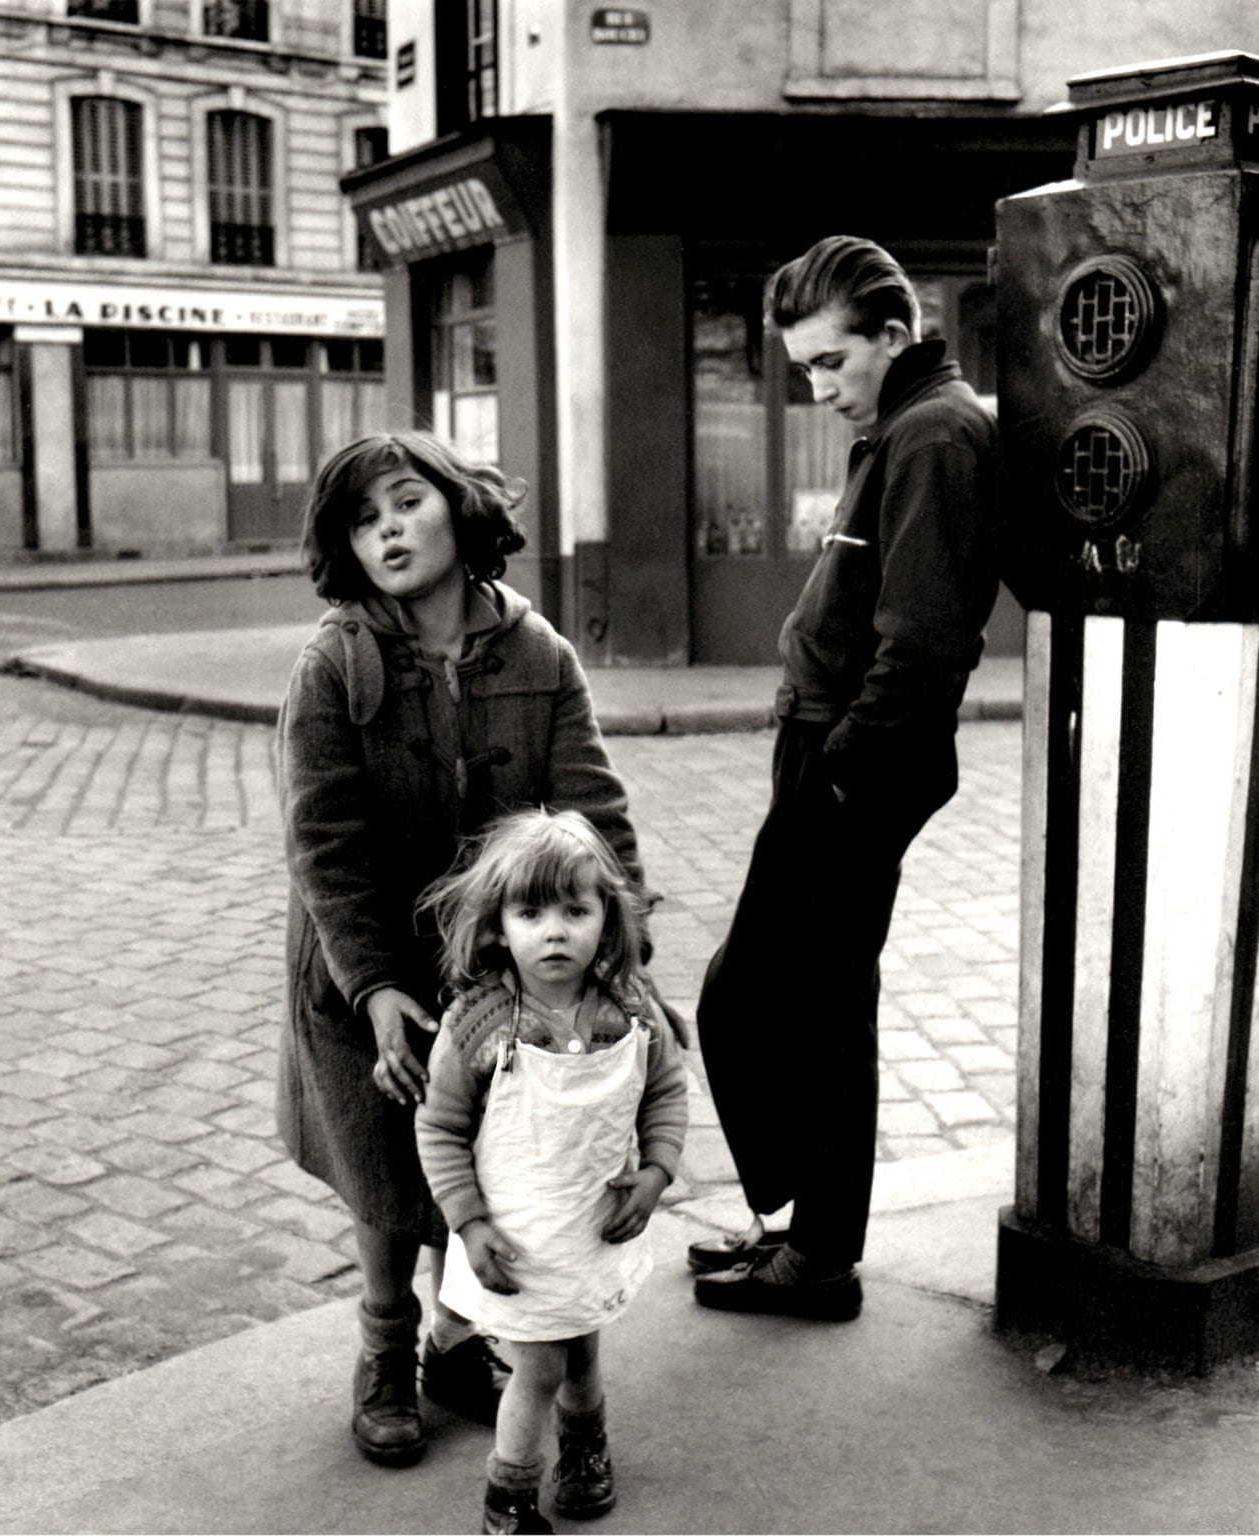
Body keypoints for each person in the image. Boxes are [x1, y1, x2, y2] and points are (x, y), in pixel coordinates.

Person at [276, 431, 651, 1470]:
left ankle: (457, 1342)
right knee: (387, 1171)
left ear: (459, 507)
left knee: (488, 1158)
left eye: (405, 503)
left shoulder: (541, 656)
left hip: (498, 970)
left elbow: (595, 818)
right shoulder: (333, 663)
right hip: (364, 970)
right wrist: (375, 988)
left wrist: (627, 949)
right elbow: (322, 845)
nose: (387, 529)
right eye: (362, 518)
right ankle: (386, 1352)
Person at [690, 235, 999, 1318]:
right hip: (830, 748)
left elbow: (922, 646)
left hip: (852, 760)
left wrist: (839, 776)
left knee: (767, 1000)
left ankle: (816, 1253)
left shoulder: (935, 436)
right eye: (804, 369)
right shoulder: (899, 426)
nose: (818, 389)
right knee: (801, 997)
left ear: (893, 336)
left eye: (830, 363)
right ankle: (805, 1232)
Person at [415, 808, 687, 1535]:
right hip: (519, 1240)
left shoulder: (629, 1011)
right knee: (537, 1369)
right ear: (498, 926)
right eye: (531, 912)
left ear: (608, 917)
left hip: (593, 1229)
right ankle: (506, 1503)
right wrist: (468, 1224)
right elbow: (440, 1128)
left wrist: (657, 1171)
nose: (557, 930)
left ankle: (585, 1451)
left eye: (576, 909)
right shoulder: (478, 1024)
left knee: (586, 1347)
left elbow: (665, 1092)